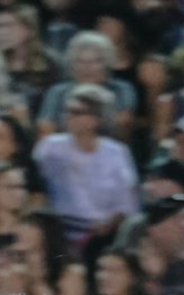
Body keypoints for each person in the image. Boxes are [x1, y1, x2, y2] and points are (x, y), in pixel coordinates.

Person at [32, 84, 139, 249]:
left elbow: (127, 204)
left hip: (102, 235)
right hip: (59, 232)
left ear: (96, 119)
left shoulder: (117, 153)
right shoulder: (50, 147)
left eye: (76, 112)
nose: (68, 116)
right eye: (66, 110)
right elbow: (35, 187)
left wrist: (106, 228)